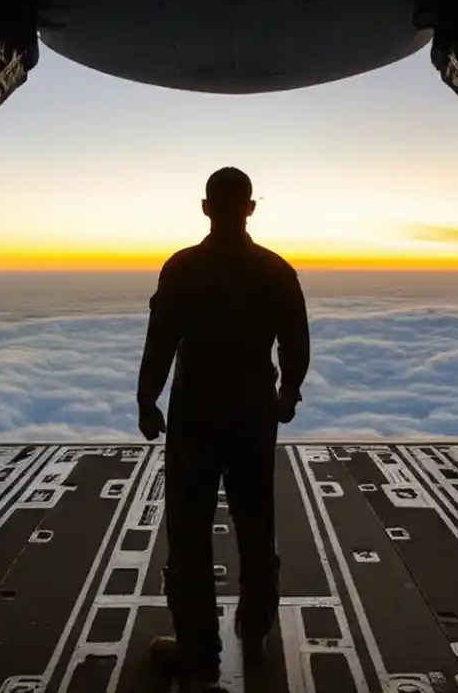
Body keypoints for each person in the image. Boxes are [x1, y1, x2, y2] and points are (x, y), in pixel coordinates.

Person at [136, 166, 310, 691]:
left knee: (189, 530)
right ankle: (254, 631)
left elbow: (161, 340)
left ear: (206, 208)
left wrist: (147, 400)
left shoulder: (183, 268)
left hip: (196, 411)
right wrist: (287, 394)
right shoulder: (276, 270)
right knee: (256, 524)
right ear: (250, 208)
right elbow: (295, 343)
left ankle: (197, 651)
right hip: (253, 412)